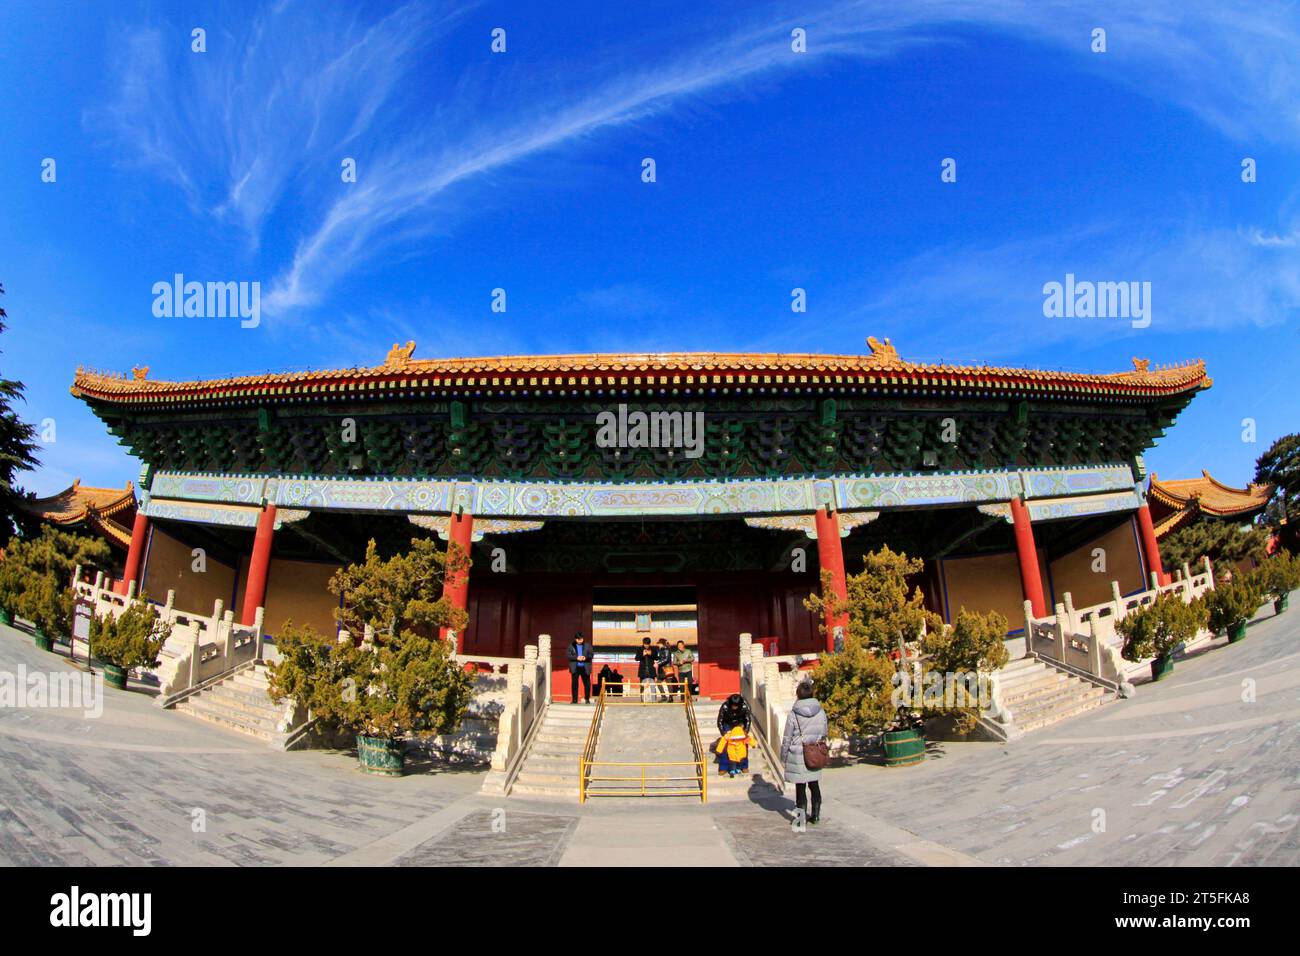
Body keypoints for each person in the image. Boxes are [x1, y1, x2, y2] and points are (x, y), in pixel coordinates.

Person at [781, 680, 828, 824]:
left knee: (800, 788)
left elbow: (787, 736)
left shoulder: (793, 714)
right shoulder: (821, 711)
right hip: (815, 751)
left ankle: (801, 820)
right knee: (814, 785)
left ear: (798, 695)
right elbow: (824, 732)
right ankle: (816, 816)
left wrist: (783, 755)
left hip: (798, 753)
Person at [567, 632, 593, 704]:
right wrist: (576, 658)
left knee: (587, 684)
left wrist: (585, 657)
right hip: (575, 667)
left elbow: (591, 655)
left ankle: (587, 699)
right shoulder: (571, 646)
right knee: (575, 684)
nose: (580, 641)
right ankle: (574, 700)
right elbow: (568, 656)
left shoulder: (587, 646)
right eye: (578, 639)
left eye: (581, 639)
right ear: (576, 639)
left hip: (585, 667)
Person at [635, 636, 659, 701]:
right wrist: (642, 654)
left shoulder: (653, 649)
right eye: (645, 644)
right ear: (643, 643)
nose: (646, 646)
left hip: (651, 670)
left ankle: (653, 699)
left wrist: (650, 653)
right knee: (642, 685)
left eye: (647, 644)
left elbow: (657, 658)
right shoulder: (639, 649)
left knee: (652, 685)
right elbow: (636, 658)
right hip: (643, 670)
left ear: (649, 643)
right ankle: (642, 699)